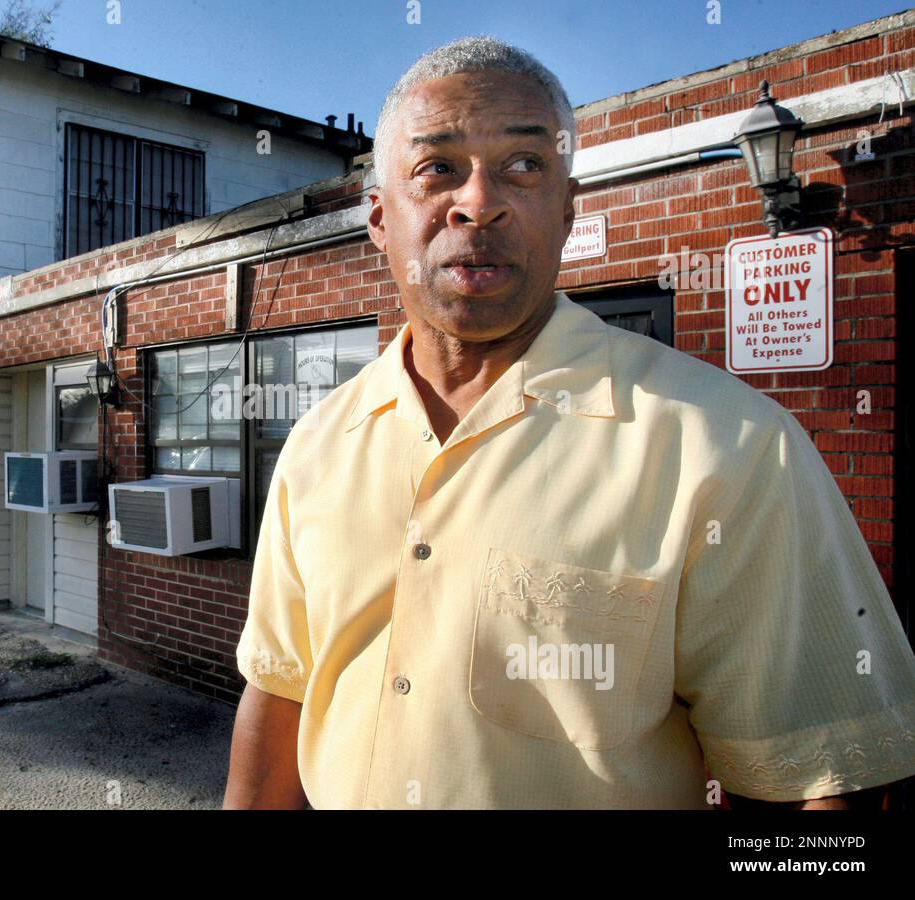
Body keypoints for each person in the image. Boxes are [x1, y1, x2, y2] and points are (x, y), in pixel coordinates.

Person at [222, 35, 915, 809]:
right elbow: (280, 692)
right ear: (380, 218)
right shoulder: (318, 442)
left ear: (568, 210)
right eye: (437, 167)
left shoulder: (728, 446)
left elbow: (816, 783)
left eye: (524, 166)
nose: (478, 201)